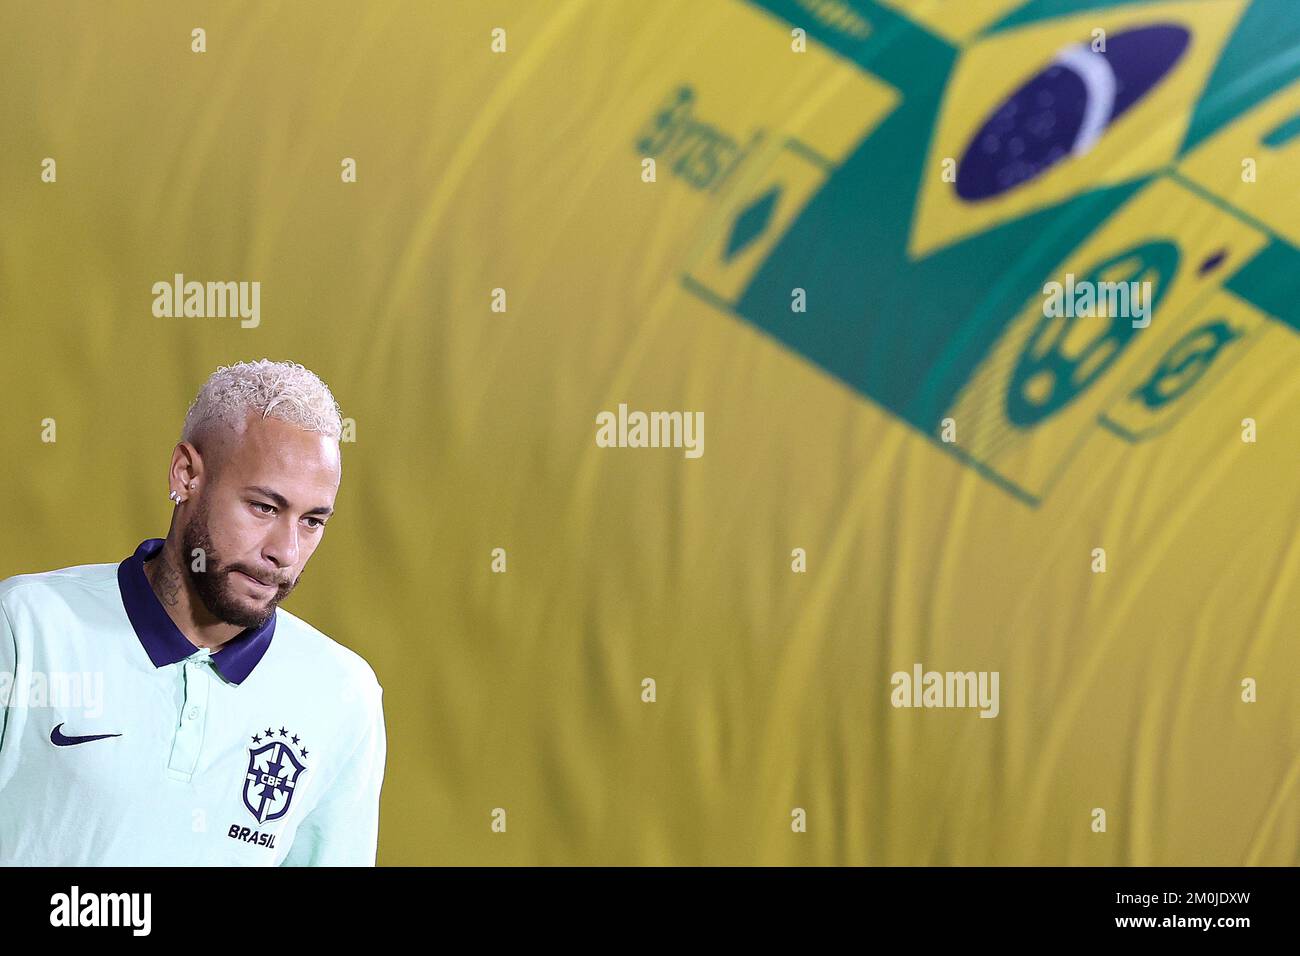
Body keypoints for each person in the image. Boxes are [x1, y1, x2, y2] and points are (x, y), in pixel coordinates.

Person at [0, 359, 385, 865]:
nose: (286, 552)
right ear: (186, 474)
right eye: (264, 507)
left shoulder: (343, 695)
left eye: (312, 521)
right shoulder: (25, 628)